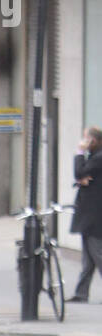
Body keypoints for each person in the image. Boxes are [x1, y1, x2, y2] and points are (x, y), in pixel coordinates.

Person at [66, 126, 102, 303]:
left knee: (98, 255)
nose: (84, 142)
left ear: (93, 141)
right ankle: (81, 293)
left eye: (86, 139)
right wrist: (81, 180)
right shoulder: (94, 157)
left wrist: (79, 152)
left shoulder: (98, 158)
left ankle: (81, 293)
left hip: (94, 218)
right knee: (88, 259)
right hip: (89, 217)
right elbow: (81, 176)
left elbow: (79, 172)